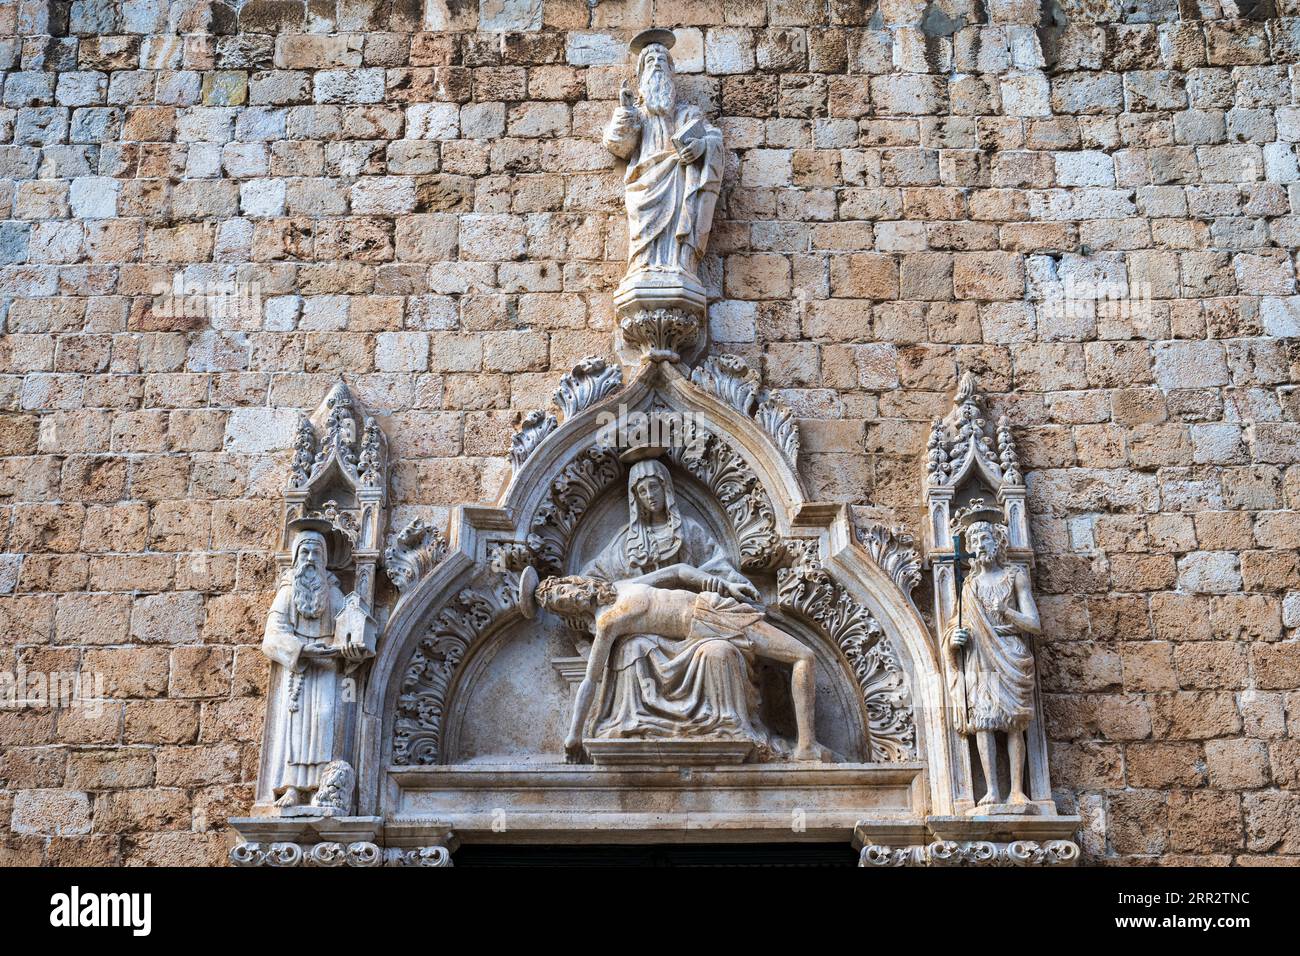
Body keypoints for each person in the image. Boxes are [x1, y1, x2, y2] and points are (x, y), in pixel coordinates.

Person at [535, 570, 820, 763]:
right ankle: (806, 747)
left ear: (575, 582)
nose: (569, 596)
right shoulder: (607, 623)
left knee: (803, 655)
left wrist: (721, 584)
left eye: (565, 589)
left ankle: (807, 744)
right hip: (707, 627)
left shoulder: (623, 586)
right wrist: (574, 735)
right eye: (562, 603)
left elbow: (678, 571)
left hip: (713, 604)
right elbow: (591, 680)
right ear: (569, 613)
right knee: (803, 655)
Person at [603, 31, 723, 284]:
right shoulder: (636, 114)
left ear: (671, 72)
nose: (656, 64)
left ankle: (681, 265)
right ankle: (643, 266)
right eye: (650, 61)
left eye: (661, 60)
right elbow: (619, 146)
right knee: (643, 232)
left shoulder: (687, 113)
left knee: (682, 212)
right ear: (641, 75)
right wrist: (624, 111)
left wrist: (702, 146)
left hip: (678, 183)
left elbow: (713, 137)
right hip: (644, 185)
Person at [945, 519, 1041, 808]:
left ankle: (1016, 791)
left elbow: (1034, 623)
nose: (979, 546)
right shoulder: (970, 587)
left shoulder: (1014, 577)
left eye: (984, 539)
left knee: (1014, 723)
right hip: (980, 654)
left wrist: (1007, 612)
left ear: (997, 542)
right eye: (974, 542)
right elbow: (955, 623)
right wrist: (954, 640)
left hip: (1010, 650)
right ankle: (990, 790)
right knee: (984, 721)